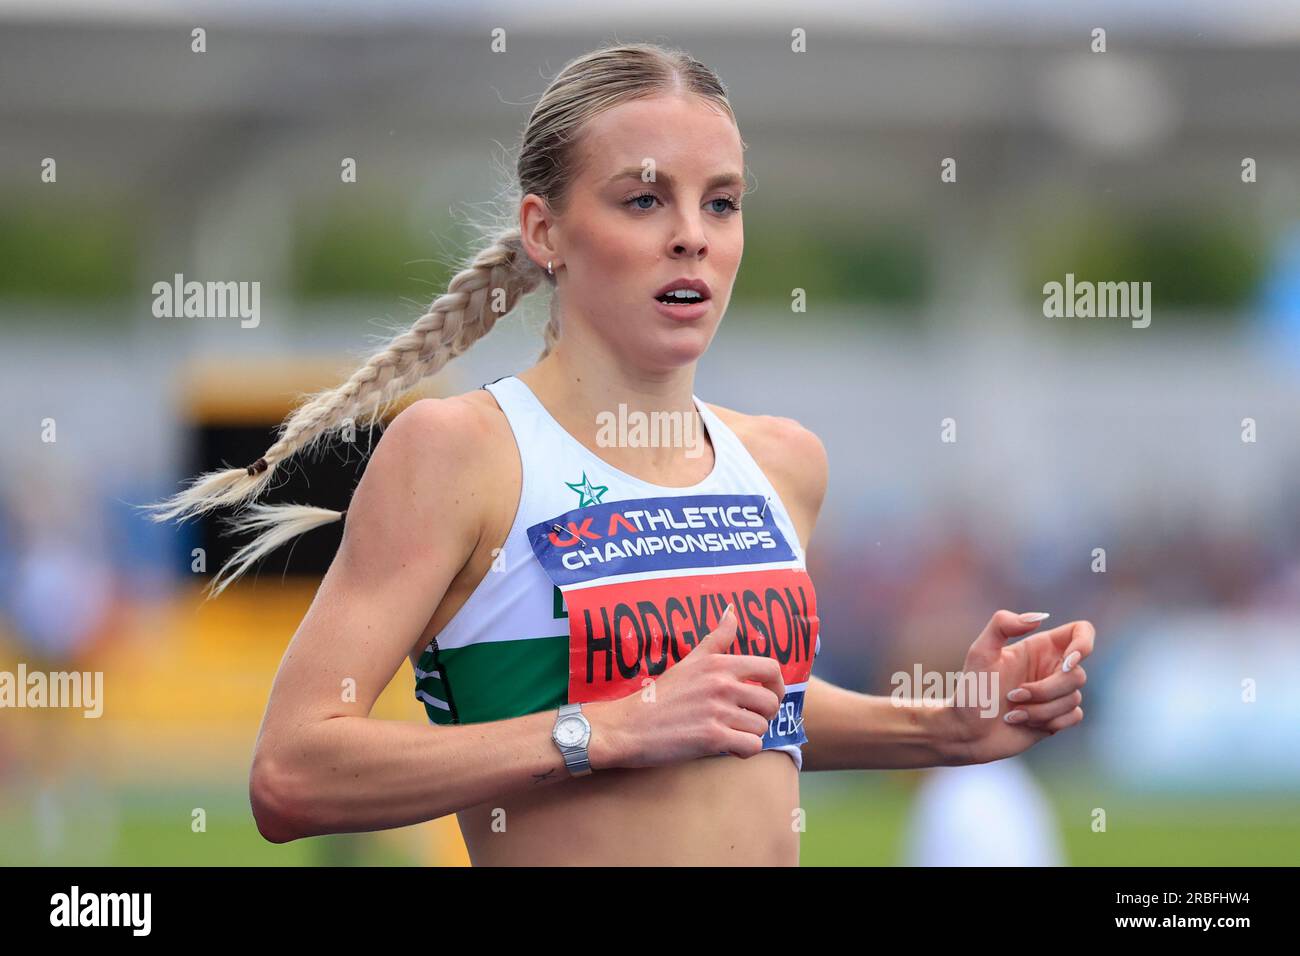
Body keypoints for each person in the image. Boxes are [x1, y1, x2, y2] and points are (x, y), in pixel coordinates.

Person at [142, 41, 1092, 865]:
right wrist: (611, 729)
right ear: (545, 232)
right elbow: (291, 772)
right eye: (644, 199)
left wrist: (948, 728)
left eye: (721, 204)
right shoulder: (462, 452)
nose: (691, 236)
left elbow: (756, 709)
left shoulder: (785, 462)